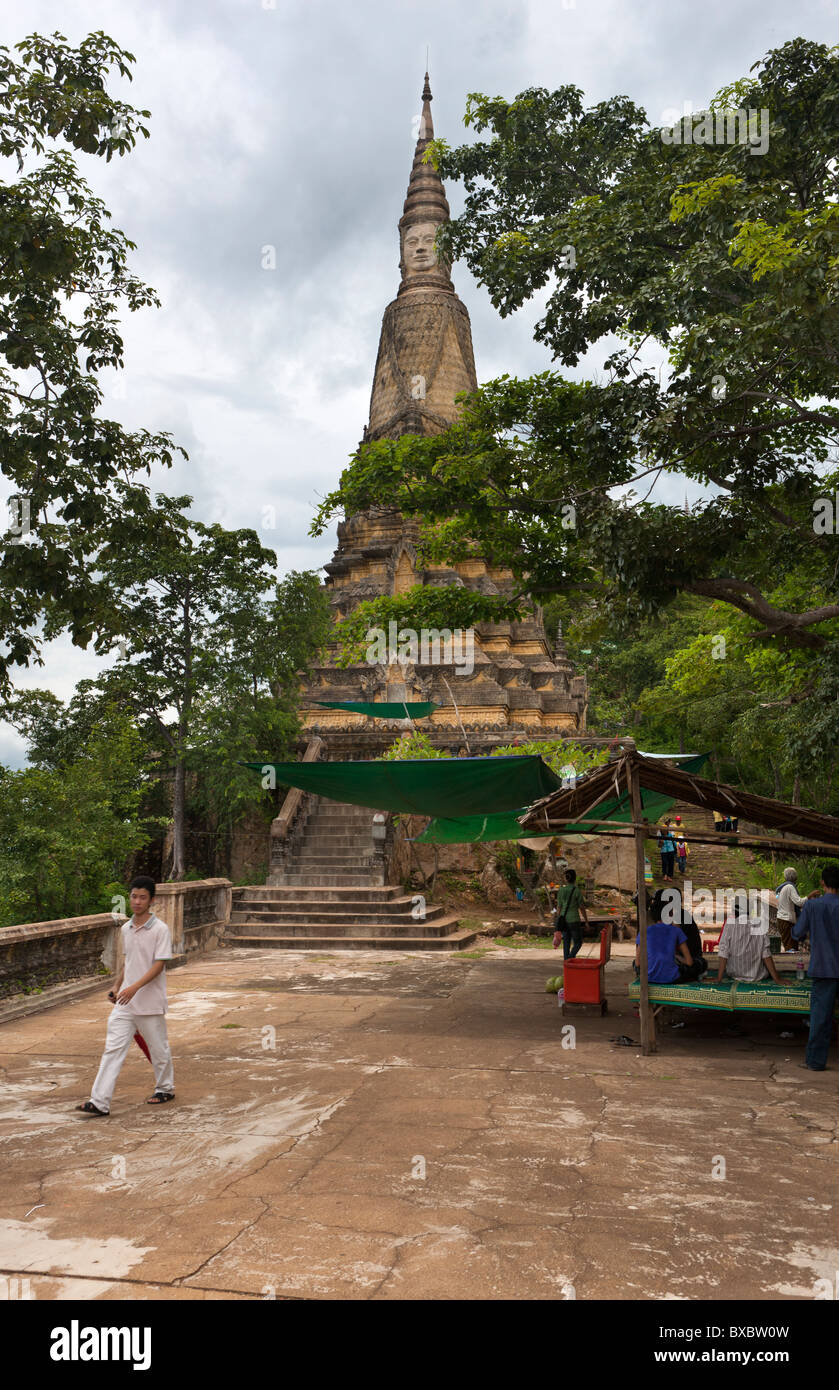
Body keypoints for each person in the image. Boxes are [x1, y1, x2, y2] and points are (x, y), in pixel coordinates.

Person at [75, 876, 175, 1116]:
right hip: (125, 1004)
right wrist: (118, 986)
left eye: (142, 897)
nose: (137, 901)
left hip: (149, 1001)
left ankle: (165, 1088)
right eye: (133, 896)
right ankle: (99, 1102)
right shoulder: (126, 929)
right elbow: (128, 962)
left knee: (158, 1048)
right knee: (113, 1049)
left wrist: (135, 987)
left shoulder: (160, 929)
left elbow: (159, 965)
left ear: (152, 900)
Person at [792, 863, 839, 1072]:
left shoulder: (813, 906)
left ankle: (815, 1061)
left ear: (822, 882)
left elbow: (797, 933)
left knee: (821, 1017)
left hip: (824, 969)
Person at [710, 901, 787, 985]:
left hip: (734, 974)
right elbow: (766, 954)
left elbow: (723, 951)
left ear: (734, 912)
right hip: (757, 975)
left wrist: (718, 978)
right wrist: (777, 979)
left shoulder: (729, 924)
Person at [635, 899, 703, 984]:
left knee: (634, 963)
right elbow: (689, 962)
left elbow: (638, 963)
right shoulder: (676, 930)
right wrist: (677, 957)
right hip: (672, 979)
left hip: (649, 978)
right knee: (700, 963)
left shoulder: (644, 931)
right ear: (670, 914)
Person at [552, 868, 588, 959]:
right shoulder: (577, 891)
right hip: (574, 920)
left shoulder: (561, 890)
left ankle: (566, 963)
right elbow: (582, 907)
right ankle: (570, 959)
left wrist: (559, 919)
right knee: (578, 943)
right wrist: (586, 920)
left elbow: (559, 907)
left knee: (566, 943)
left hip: (564, 920)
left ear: (566, 878)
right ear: (575, 878)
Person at [775, 867, 813, 952]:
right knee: (791, 947)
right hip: (786, 920)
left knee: (790, 945)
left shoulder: (782, 888)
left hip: (782, 919)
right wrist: (809, 896)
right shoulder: (790, 887)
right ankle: (790, 964)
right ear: (795, 877)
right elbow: (799, 902)